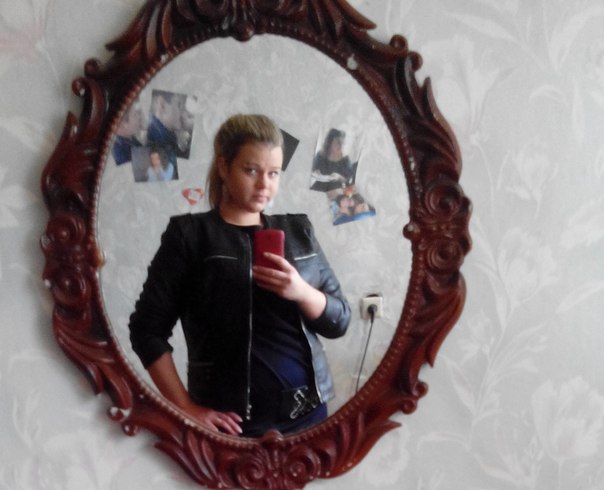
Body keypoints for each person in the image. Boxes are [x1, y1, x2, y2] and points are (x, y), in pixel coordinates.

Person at [129, 114, 351, 437]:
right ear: (224, 166)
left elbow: (340, 320)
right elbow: (146, 330)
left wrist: (301, 291)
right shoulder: (190, 236)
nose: (264, 185)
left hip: (309, 417)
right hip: (231, 427)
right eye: (251, 171)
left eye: (273, 173)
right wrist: (185, 409)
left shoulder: (298, 231)